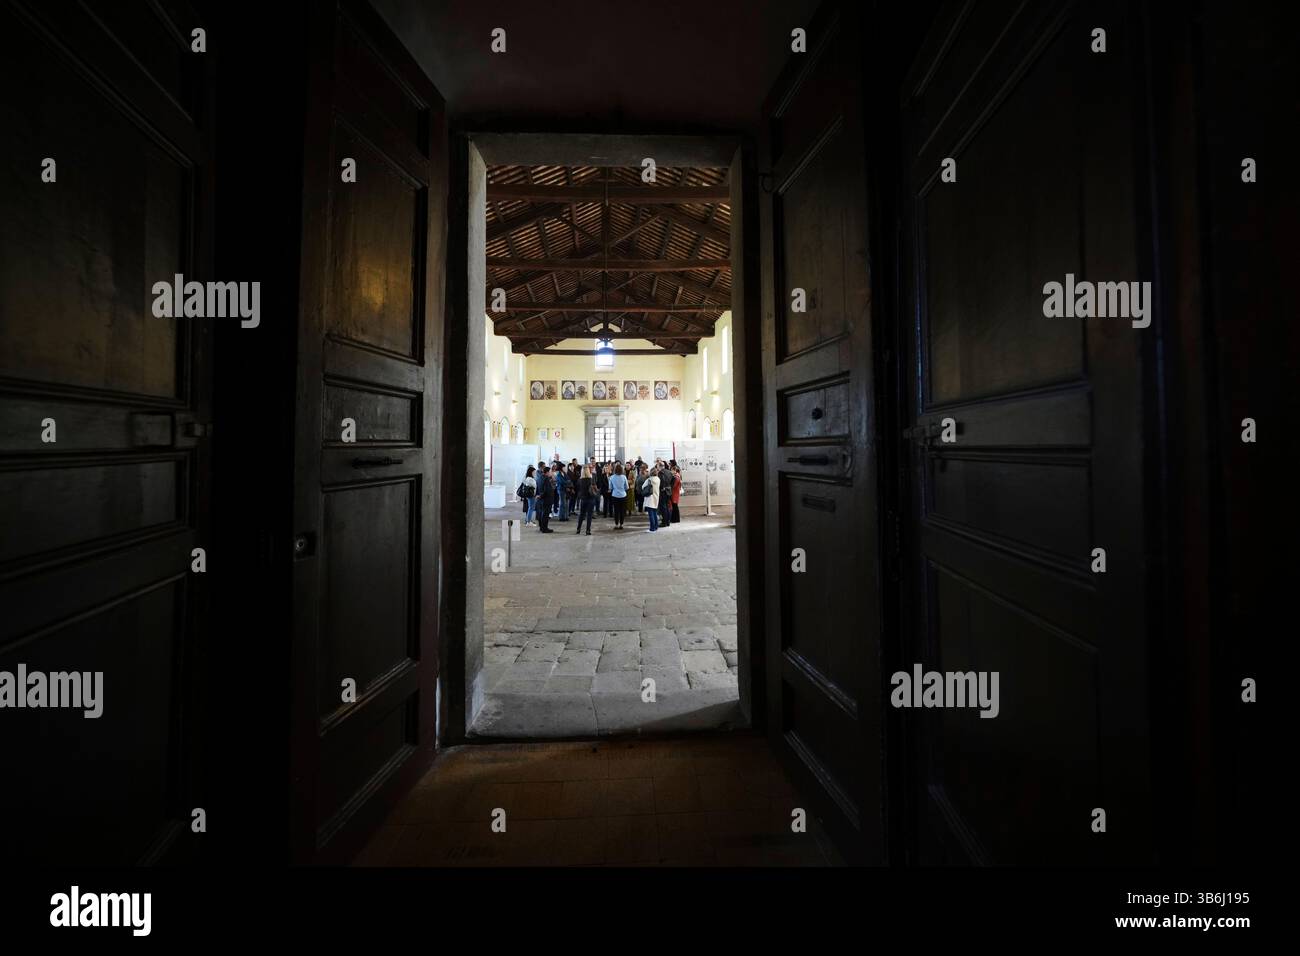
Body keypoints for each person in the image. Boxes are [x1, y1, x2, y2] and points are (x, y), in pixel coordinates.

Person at [575, 465, 596, 535]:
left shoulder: (579, 480)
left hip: (583, 499)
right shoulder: (591, 479)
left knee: (581, 514)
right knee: (589, 515)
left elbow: (578, 489)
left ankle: (578, 529)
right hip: (591, 499)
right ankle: (588, 530)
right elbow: (594, 488)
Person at [536, 466, 556, 533]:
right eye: (550, 472)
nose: (551, 473)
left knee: (542, 513)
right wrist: (541, 496)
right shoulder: (546, 479)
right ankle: (545, 528)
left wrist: (539, 496)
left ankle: (542, 527)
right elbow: (546, 490)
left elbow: (538, 488)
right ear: (547, 472)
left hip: (541, 499)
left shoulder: (539, 477)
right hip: (546, 499)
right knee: (545, 515)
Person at [609, 462, 628, 529]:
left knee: (616, 510)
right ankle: (621, 524)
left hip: (615, 495)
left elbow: (610, 487)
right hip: (623, 495)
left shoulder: (612, 477)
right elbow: (627, 487)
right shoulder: (624, 477)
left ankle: (616, 524)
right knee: (622, 510)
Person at [642, 467, 660, 532]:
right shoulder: (658, 479)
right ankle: (656, 526)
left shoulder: (649, 480)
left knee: (651, 514)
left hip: (650, 498)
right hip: (656, 497)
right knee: (655, 513)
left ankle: (652, 529)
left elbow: (643, 487)